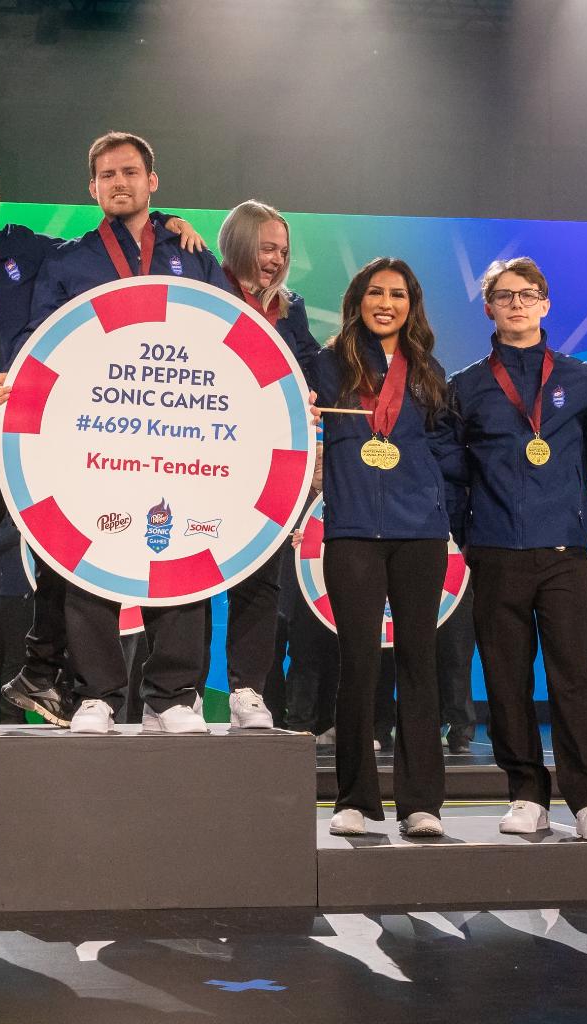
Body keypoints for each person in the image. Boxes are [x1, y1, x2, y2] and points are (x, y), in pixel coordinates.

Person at [0, 150, 207, 734]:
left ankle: (44, 672)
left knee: (68, 558)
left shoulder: (37, 252)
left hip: (42, 433)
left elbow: (119, 239)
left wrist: (168, 224)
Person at [0, 131, 231, 735]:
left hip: (179, 442)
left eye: (129, 172)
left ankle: (172, 695)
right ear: (91, 188)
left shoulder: (192, 256)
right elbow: (35, 343)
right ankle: (95, 691)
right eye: (106, 175)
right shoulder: (70, 261)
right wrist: (14, 380)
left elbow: (231, 335)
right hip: (95, 442)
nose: (118, 182)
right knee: (90, 556)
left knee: (177, 554)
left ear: (153, 182)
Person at [449, 256, 587, 840]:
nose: (517, 304)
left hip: (565, 552)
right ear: (489, 309)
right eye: (504, 296)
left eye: (527, 295)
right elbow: (453, 472)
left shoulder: (580, 380)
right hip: (495, 552)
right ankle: (526, 792)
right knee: (504, 677)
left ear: (545, 304)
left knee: (574, 674)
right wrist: (464, 534)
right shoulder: (466, 387)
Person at [303, 258, 461, 838]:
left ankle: (422, 804)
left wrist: (439, 503)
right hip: (352, 534)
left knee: (420, 665)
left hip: (420, 534)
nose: (386, 302)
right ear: (358, 299)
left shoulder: (427, 370)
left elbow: (446, 451)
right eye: (376, 292)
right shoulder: (327, 363)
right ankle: (357, 801)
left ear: (411, 304)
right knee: (359, 663)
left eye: (398, 294)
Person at [216, 200, 324, 730]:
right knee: (186, 578)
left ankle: (247, 690)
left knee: (261, 580)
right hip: (202, 457)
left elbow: (308, 370)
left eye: (283, 250)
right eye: (266, 247)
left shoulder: (291, 308)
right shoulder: (204, 289)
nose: (277, 259)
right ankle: (177, 692)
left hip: (265, 466)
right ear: (238, 243)